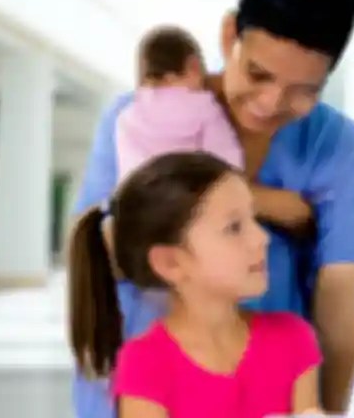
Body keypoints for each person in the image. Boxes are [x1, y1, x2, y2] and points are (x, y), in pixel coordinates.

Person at [72, 0, 354, 417]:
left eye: (305, 90)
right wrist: (268, 203)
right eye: (257, 74)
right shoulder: (140, 119)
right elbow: (110, 246)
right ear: (228, 37)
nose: (270, 102)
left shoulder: (336, 144)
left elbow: (339, 313)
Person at [68, 152, 322, 418]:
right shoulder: (145, 365)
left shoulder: (294, 339)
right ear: (171, 263)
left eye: (254, 219)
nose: (261, 238)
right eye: (234, 227)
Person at [116, 25, 243, 179]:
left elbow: (127, 172)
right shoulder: (204, 108)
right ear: (194, 66)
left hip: (143, 198)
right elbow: (228, 161)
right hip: (190, 198)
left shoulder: (127, 118)